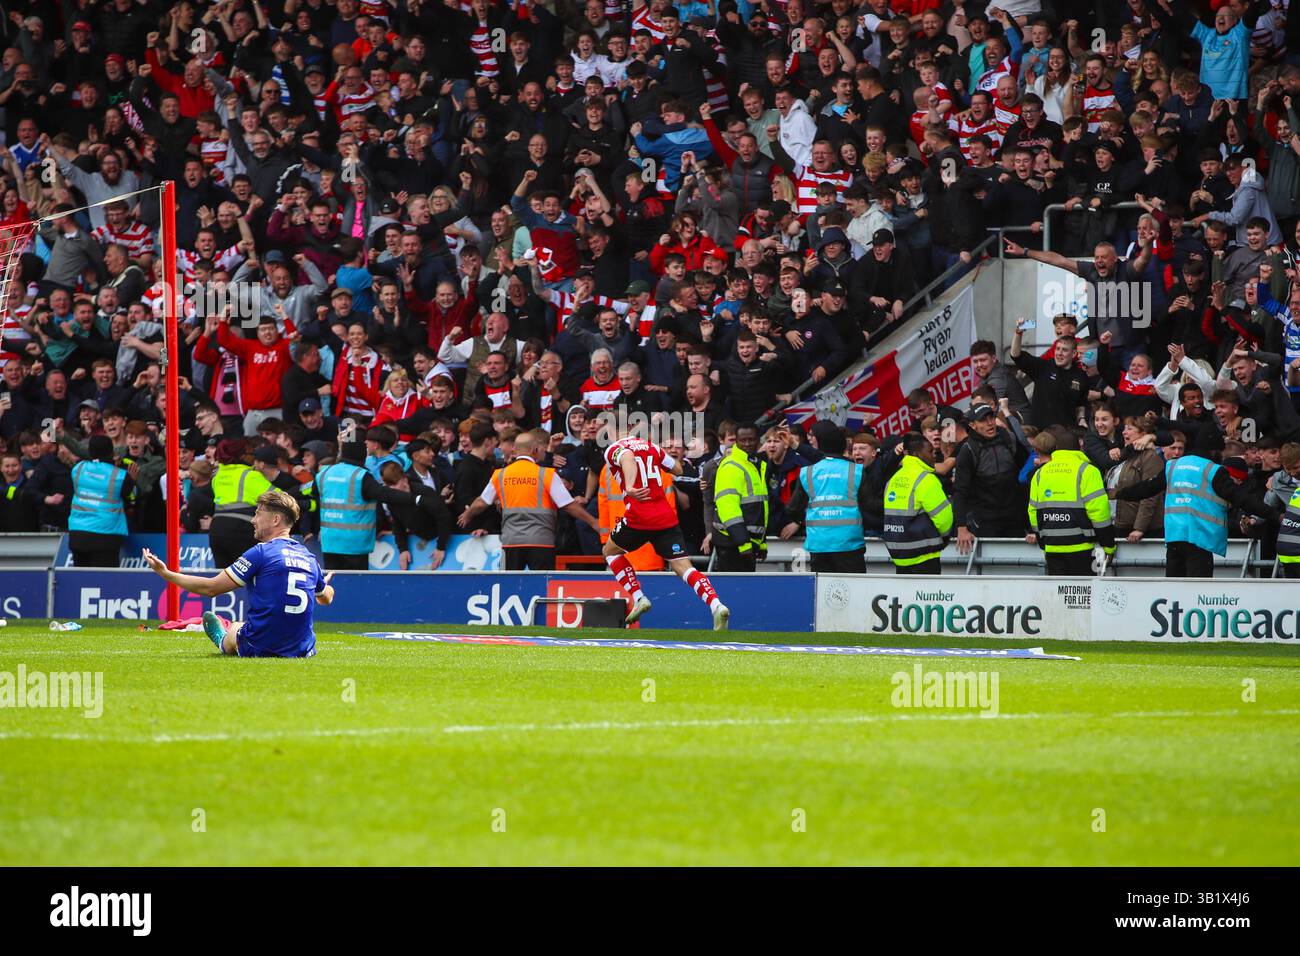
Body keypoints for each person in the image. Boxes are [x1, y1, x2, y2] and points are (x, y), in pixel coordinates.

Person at [143, 489, 336, 658]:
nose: (253, 520)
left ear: (275, 519)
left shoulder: (261, 552)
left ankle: (222, 640)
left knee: (236, 628)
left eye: (258, 514)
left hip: (261, 646)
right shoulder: (310, 559)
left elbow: (210, 588)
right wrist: (324, 585)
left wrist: (167, 573)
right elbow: (326, 598)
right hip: (302, 650)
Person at [600, 427, 730, 630]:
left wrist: (630, 486)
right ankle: (716, 605)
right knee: (684, 568)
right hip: (664, 516)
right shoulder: (653, 447)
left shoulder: (614, 448)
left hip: (638, 516)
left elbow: (627, 458)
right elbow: (677, 469)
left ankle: (639, 597)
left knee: (609, 552)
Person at [1113, 452, 1273, 577]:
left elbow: (1146, 488)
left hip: (1175, 537)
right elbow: (1242, 499)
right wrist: (1274, 515)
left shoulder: (1172, 467)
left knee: (1175, 594)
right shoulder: (1213, 471)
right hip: (1200, 539)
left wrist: (1118, 493)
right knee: (1197, 591)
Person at [457, 430, 599, 569]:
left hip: (511, 543)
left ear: (515, 450)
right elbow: (568, 505)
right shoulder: (547, 475)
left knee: (510, 587)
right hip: (542, 542)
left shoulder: (500, 475)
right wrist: (593, 522)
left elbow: (482, 502)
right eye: (543, 448)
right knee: (541, 588)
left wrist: (468, 515)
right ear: (535, 449)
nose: (544, 451)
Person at [779, 421, 872, 572]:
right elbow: (869, 505)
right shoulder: (855, 470)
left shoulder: (807, 472)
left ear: (820, 444)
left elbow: (792, 508)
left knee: (824, 591)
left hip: (819, 544)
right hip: (849, 543)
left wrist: (801, 520)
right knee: (854, 590)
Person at [316, 440, 421, 570]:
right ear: (360, 454)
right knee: (356, 584)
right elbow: (385, 494)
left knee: (333, 583)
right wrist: (414, 498)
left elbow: (307, 491)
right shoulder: (361, 476)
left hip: (330, 541)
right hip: (355, 543)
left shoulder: (325, 473)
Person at [1027, 426, 1115, 576]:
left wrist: (1043, 542)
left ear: (1056, 449)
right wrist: (1108, 546)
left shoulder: (1040, 473)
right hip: (1083, 548)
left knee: (1059, 596)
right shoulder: (1088, 471)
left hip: (1052, 548)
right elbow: (1099, 511)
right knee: (1084, 596)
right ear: (1080, 448)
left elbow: (1033, 511)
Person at [882, 432, 953, 574]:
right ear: (916, 454)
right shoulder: (926, 479)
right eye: (930, 451)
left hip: (899, 556)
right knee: (926, 596)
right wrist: (943, 538)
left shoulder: (894, 478)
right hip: (924, 556)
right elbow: (944, 519)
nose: (934, 454)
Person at [710, 422, 770, 572]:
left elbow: (761, 507)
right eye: (743, 440)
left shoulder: (756, 464)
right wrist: (743, 542)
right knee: (732, 591)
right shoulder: (731, 466)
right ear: (736, 440)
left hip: (747, 541)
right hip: (732, 542)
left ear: (759, 440)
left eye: (751, 439)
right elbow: (728, 508)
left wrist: (761, 543)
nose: (747, 444)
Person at [208, 437, 274, 568]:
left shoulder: (217, 476)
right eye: (252, 454)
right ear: (242, 456)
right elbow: (281, 498)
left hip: (216, 531)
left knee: (224, 579)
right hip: (241, 531)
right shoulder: (250, 476)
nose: (254, 458)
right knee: (249, 577)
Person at [68, 434, 132, 567]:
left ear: (90, 451)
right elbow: (130, 498)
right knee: (105, 582)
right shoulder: (120, 475)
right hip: (106, 535)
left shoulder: (78, 469)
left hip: (78, 533)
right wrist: (133, 480)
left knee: (81, 580)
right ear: (111, 452)